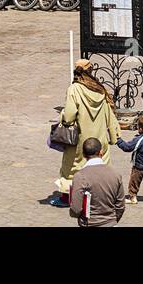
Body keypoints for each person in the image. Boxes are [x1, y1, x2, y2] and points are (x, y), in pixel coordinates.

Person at [53, 60, 121, 205]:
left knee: (72, 168)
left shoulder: (74, 89)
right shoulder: (99, 89)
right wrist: (114, 136)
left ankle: (67, 198)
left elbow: (70, 115)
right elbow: (109, 114)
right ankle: (101, 195)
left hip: (80, 140)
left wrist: (63, 116)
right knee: (101, 166)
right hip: (100, 139)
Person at [68, 137, 126, 226]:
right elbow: (120, 206)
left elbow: (76, 209)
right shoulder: (115, 174)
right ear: (101, 153)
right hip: (111, 222)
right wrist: (112, 219)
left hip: (89, 223)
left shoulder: (80, 176)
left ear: (83, 154)